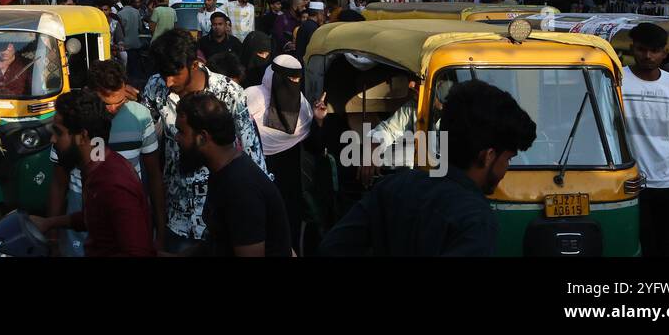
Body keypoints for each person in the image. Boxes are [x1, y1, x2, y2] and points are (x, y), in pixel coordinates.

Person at [320, 79, 536, 256]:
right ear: (488, 156)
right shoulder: (476, 220)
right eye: (508, 159)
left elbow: (332, 248)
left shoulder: (394, 186)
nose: (506, 168)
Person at [141, 29, 268, 253]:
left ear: (194, 64)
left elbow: (253, 152)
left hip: (219, 221)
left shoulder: (229, 92)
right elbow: (145, 136)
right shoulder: (155, 87)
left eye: (174, 74)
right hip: (176, 217)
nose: (168, 82)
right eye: (163, 74)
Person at [30, 89, 156, 257]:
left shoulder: (113, 184)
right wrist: (49, 223)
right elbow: (95, 218)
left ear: (82, 136)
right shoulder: (95, 166)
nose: (53, 140)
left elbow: (137, 252)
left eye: (58, 132)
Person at [175, 92, 292, 256]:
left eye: (181, 132)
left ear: (202, 138)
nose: (176, 138)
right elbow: (216, 243)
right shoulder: (222, 171)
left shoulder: (240, 188)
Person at [244, 54, 337, 254]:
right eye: (289, 80)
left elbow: (314, 147)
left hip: (290, 186)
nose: (294, 84)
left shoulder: (301, 104)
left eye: (297, 80)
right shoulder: (253, 98)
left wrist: (318, 121)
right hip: (256, 176)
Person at [622, 22, 669, 256]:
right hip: (627, 183)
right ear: (632, 48)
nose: (647, 56)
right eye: (642, 49)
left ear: (664, 53)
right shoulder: (616, 81)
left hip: (666, 183)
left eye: (654, 51)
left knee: (666, 246)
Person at [116, 0, 146, 85]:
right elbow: (141, 28)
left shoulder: (120, 14)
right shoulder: (136, 12)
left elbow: (119, 31)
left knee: (126, 69)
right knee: (135, 68)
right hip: (136, 44)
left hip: (125, 45)